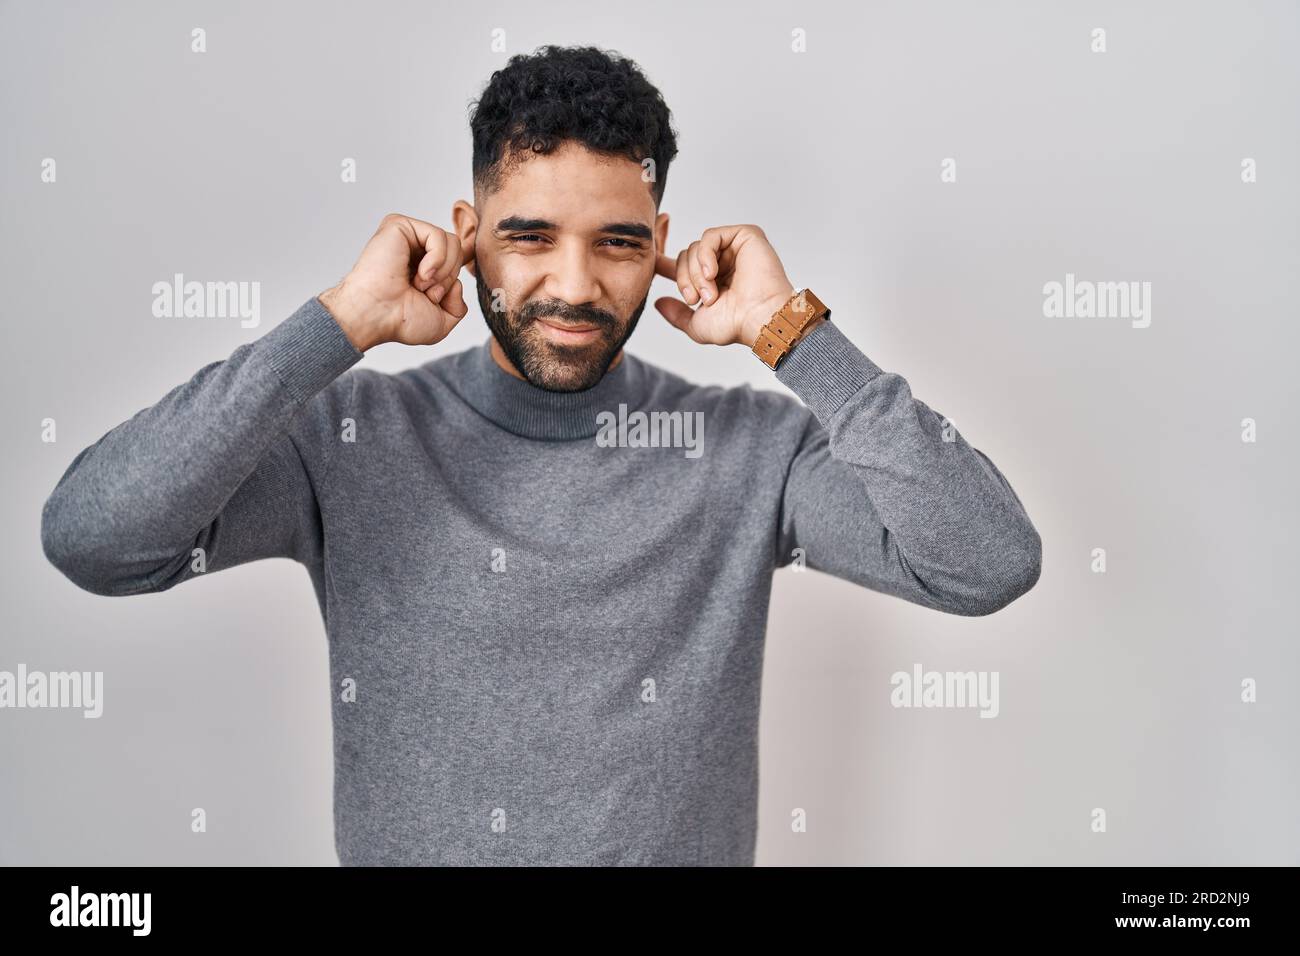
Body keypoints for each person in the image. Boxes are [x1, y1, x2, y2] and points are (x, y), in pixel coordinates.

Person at [40, 44, 1041, 866]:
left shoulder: (749, 448)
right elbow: (96, 538)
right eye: (529, 236)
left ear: (660, 244)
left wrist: (791, 330)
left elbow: (985, 560)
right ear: (468, 236)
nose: (572, 284)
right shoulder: (350, 437)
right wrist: (337, 324)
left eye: (614, 242)